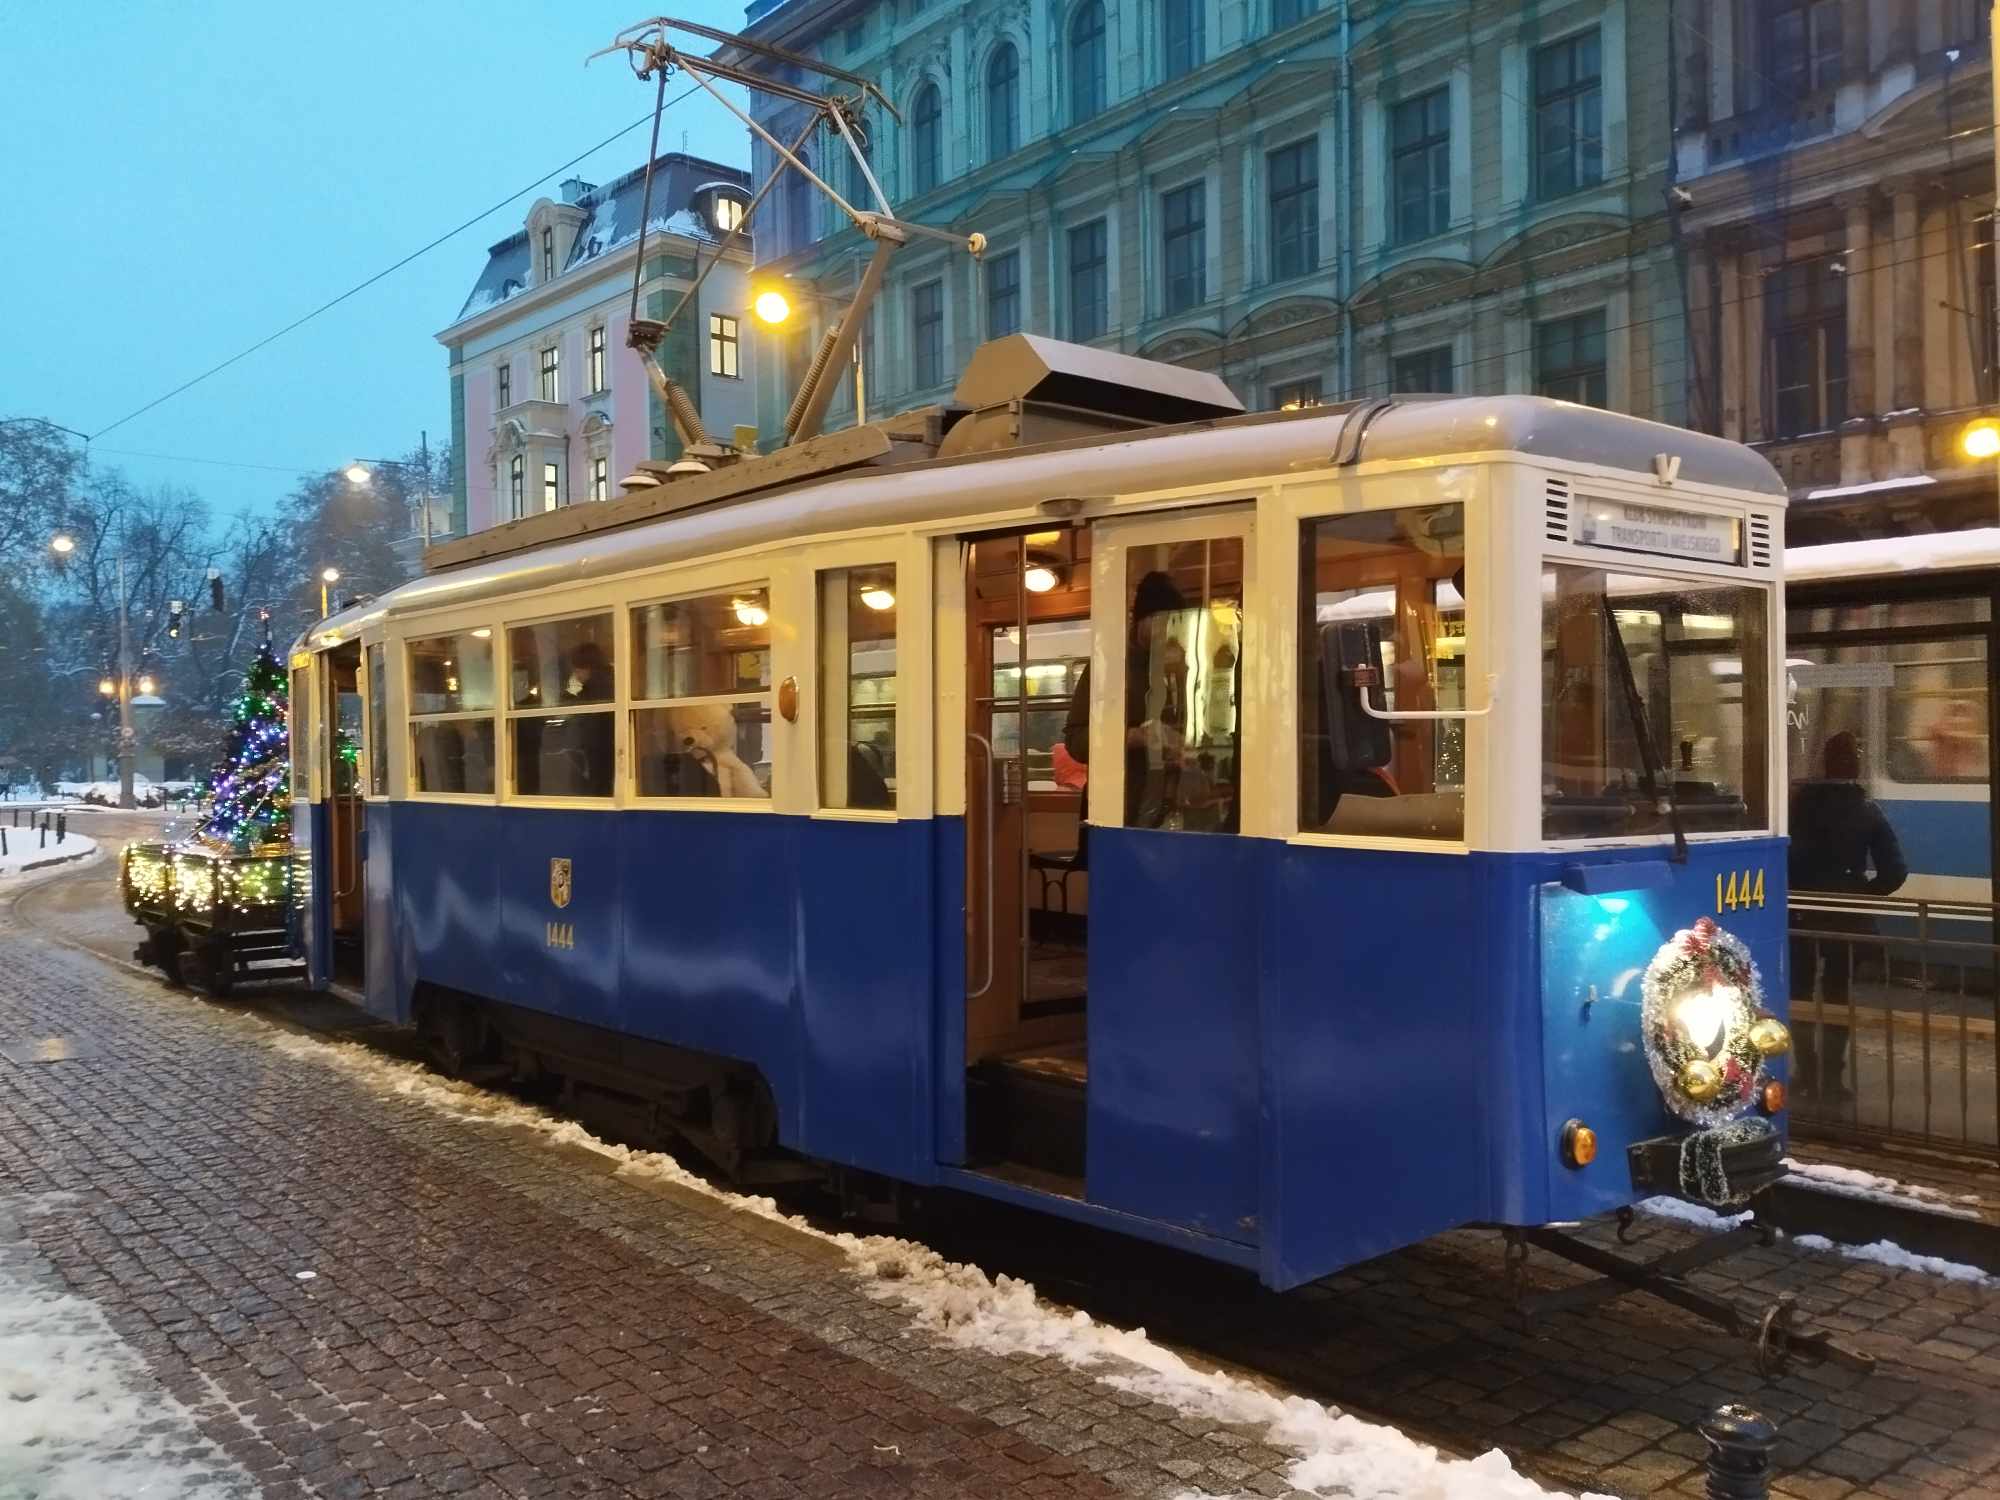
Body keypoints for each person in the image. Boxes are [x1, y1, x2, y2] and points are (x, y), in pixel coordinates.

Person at [1788, 731, 1907, 1104]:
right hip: (1846, 919)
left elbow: (1787, 858)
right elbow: (1895, 871)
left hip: (1801, 914)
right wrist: (1862, 895)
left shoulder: (1798, 807)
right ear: (1854, 767)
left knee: (1799, 994)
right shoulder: (1866, 810)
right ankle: (1832, 1081)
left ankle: (1804, 1074)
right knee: (1837, 995)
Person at [1062, 569, 1189, 830]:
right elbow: (1075, 742)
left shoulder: (1174, 667)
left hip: (1161, 810)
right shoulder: (1108, 665)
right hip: (1113, 810)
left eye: (1174, 624)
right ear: (1143, 618)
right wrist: (1135, 736)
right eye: (1163, 622)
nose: (1168, 632)